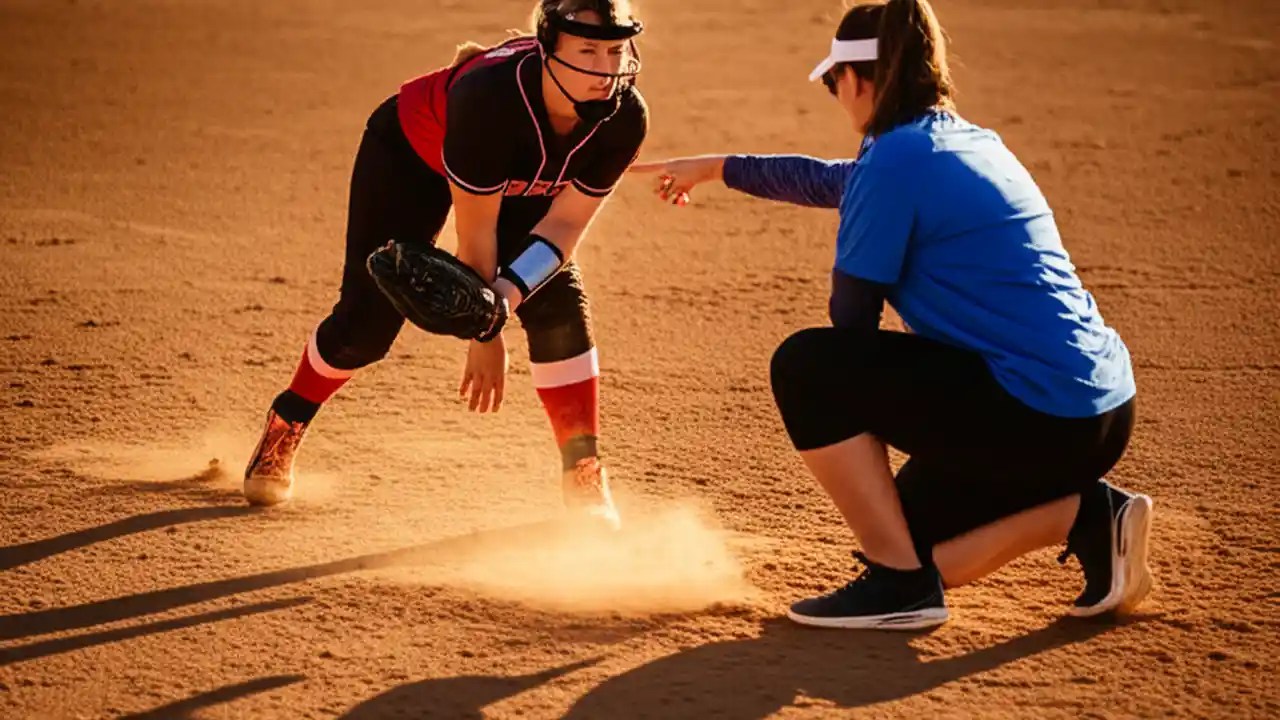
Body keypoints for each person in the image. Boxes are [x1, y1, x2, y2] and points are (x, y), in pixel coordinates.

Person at [631, 0, 1152, 629]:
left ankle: (901, 587)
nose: (834, 95)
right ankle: (1091, 516)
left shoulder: (896, 163)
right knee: (906, 535)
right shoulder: (961, 141)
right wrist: (718, 168)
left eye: (832, 82)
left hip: (1038, 415)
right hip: (1097, 409)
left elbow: (851, 323)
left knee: (809, 366)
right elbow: (836, 181)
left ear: (858, 78)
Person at [243, 0, 649, 532]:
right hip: (412, 154)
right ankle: (286, 421)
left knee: (559, 305)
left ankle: (584, 474)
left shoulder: (625, 117)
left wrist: (501, 300)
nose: (606, 70)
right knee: (366, 324)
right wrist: (485, 329)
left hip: (513, 178)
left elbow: (564, 228)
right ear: (547, 53)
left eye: (616, 51)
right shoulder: (490, 101)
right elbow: (475, 232)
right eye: (587, 51)